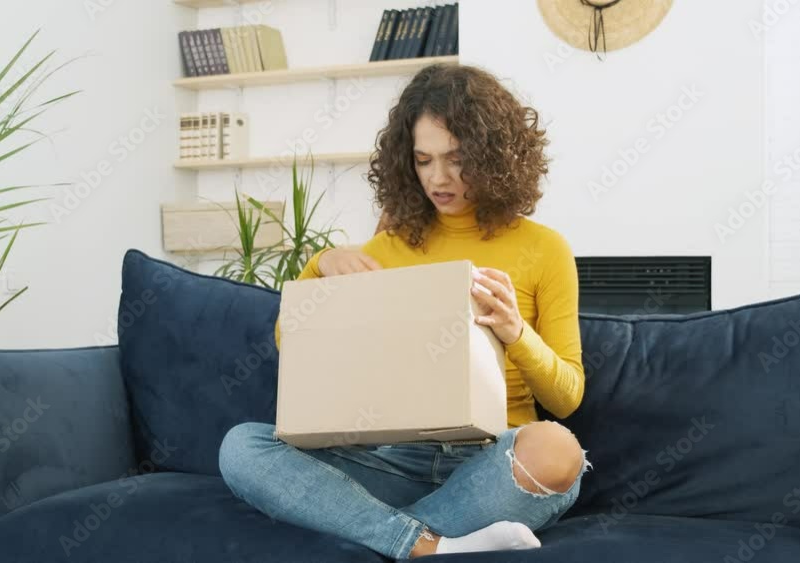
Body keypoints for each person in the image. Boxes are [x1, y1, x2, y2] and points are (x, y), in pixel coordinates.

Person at [218, 63, 590, 559]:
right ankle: (425, 545)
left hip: (490, 463)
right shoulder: (388, 248)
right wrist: (319, 264)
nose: (439, 178)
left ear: (495, 157)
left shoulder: (545, 250)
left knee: (558, 451)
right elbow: (293, 342)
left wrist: (515, 332)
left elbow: (566, 398)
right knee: (242, 446)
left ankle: (383, 532)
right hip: (389, 461)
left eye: (457, 159)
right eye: (423, 160)